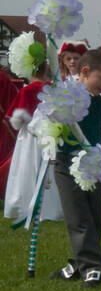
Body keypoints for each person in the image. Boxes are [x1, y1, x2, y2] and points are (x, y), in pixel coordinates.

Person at [49, 49, 101, 287]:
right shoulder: (64, 94)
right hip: (67, 163)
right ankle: (94, 268)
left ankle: (81, 264)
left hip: (94, 166)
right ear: (86, 72)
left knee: (93, 216)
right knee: (78, 215)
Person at [3, 56, 64, 223]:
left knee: (27, 168)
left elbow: (15, 119)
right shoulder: (53, 89)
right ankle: (52, 207)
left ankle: (26, 203)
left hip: (29, 139)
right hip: (50, 135)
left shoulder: (26, 91)